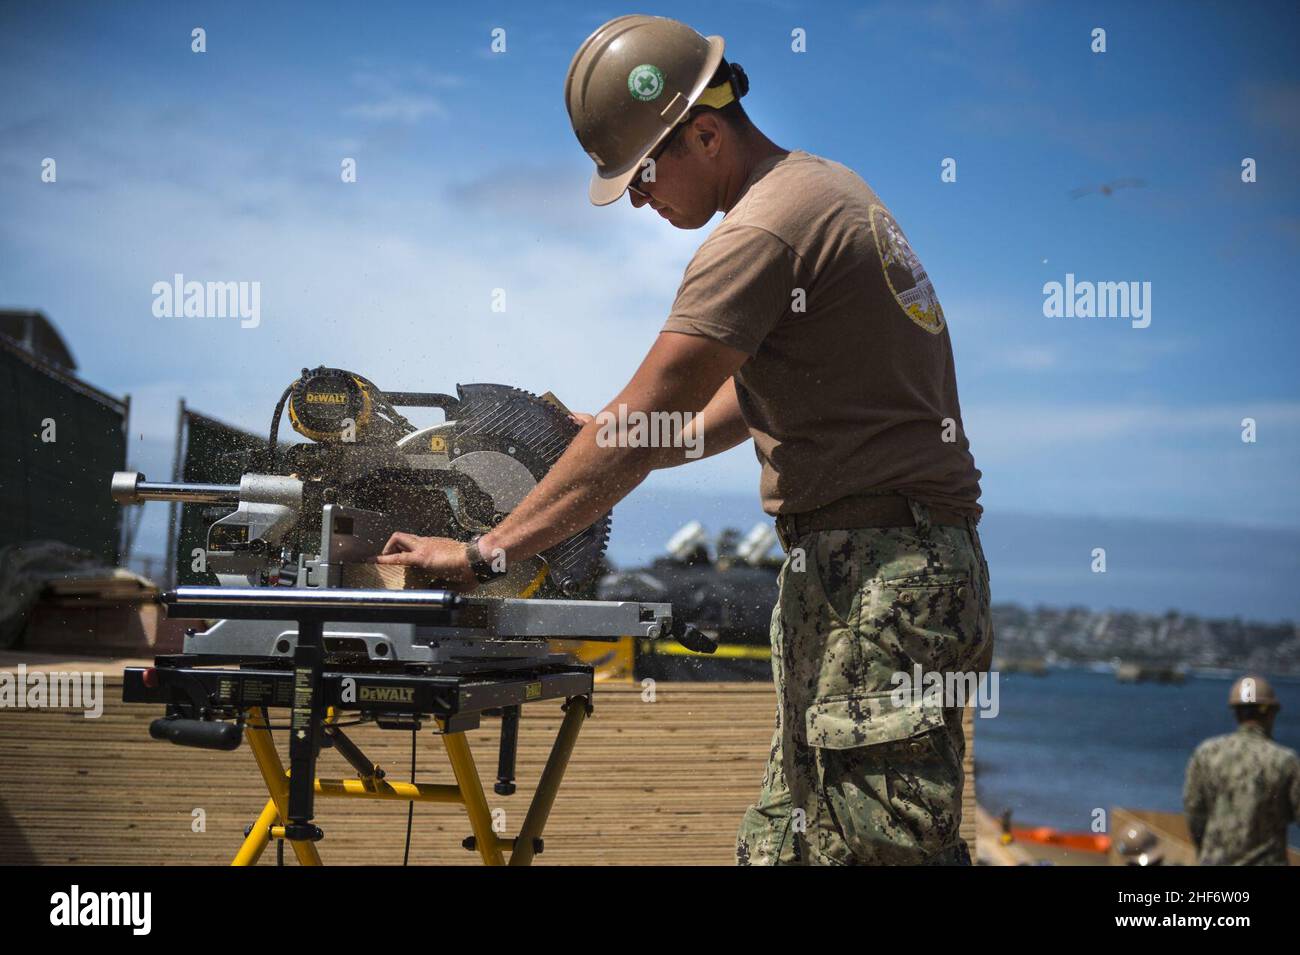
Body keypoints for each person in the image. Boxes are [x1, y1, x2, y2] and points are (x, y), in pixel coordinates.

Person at [375, 14, 992, 865]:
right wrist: (625, 434)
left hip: (882, 575)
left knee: (883, 851)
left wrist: (487, 551)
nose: (637, 198)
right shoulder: (821, 192)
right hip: (871, 564)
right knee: (786, 847)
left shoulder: (759, 232)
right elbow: (739, 399)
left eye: (641, 175)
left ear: (707, 133)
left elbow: (646, 414)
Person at [1183, 674, 1300, 865]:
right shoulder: (1285, 760)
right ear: (1270, 713)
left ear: (1236, 713)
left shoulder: (1206, 753)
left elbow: (1194, 812)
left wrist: (1206, 852)